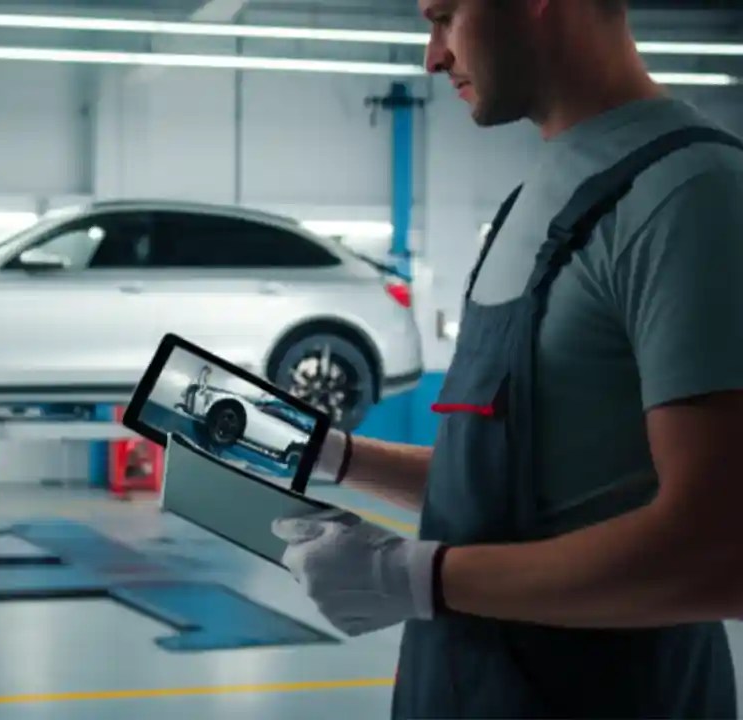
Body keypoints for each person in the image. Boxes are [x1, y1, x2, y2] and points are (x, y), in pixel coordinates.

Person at [271, 0, 743, 717]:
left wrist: (419, 577)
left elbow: (722, 551)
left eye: (445, 16)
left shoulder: (692, 195)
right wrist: (331, 456)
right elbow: (526, 489)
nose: (432, 56)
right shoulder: (537, 198)